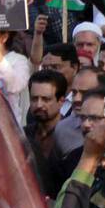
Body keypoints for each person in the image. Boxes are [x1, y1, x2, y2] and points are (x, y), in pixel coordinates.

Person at [24, 68, 68, 198]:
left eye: (46, 99)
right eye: (34, 99)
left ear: (61, 102)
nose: (39, 105)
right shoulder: (22, 135)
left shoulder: (73, 137)